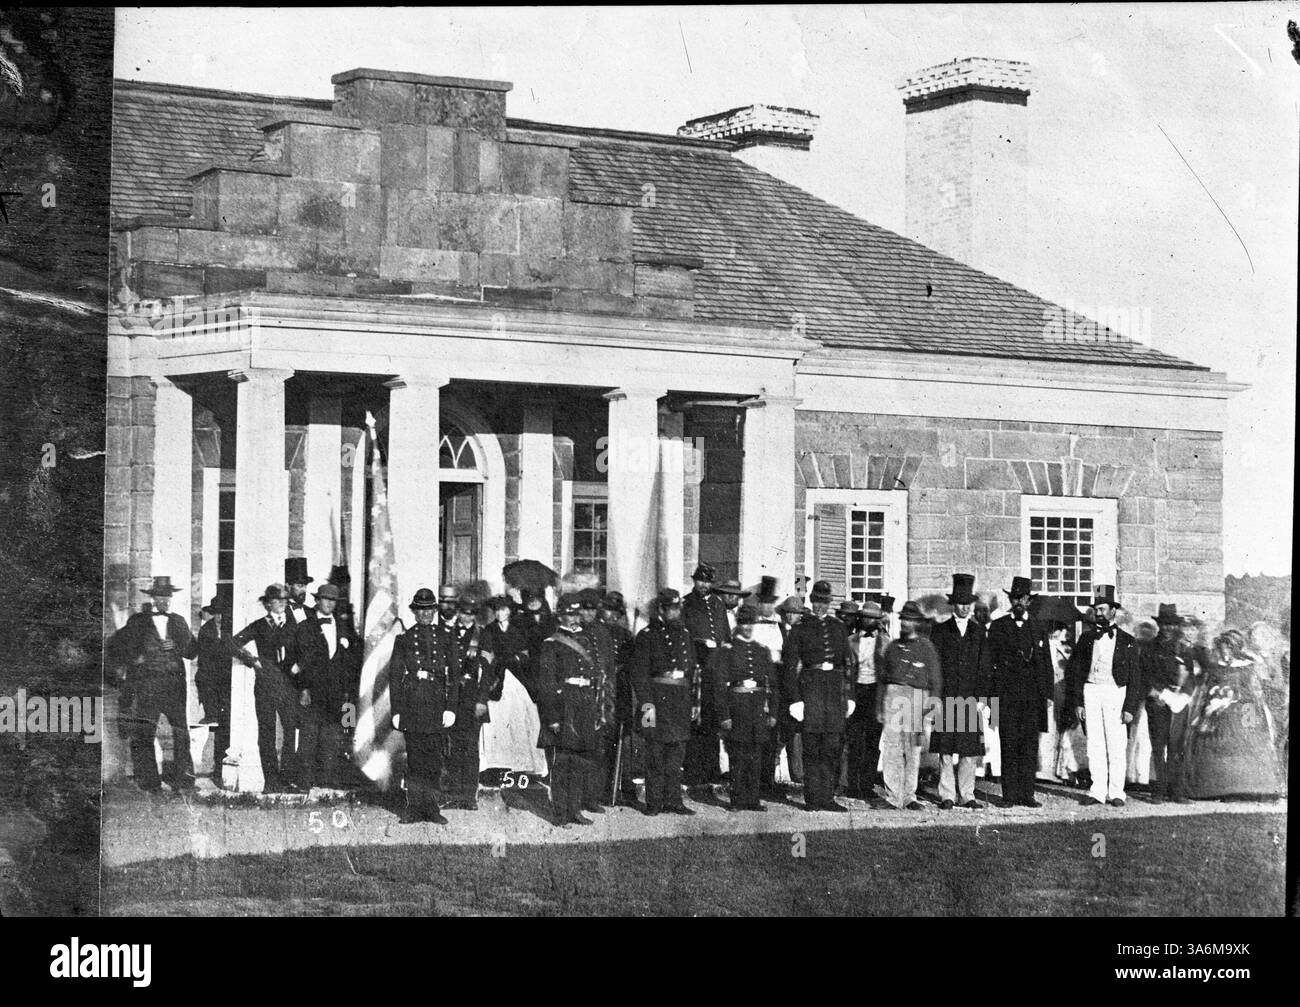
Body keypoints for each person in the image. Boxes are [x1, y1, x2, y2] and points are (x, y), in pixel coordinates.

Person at [109, 575, 199, 792]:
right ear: (153, 598)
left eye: (167, 597)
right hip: (148, 685)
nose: (163, 601)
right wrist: (134, 659)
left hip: (175, 685)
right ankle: (150, 782)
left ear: (171, 598)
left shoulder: (178, 621)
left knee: (180, 731)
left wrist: (177, 645)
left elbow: (192, 651)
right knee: (145, 732)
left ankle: (183, 781)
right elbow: (118, 644)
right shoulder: (138, 621)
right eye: (159, 596)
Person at [782, 580, 856, 812]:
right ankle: (813, 798)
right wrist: (796, 699)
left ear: (829, 603)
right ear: (811, 602)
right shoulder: (800, 628)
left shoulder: (838, 627)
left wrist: (850, 696)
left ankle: (828, 796)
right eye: (817, 602)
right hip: (811, 688)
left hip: (834, 690)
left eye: (824, 602)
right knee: (812, 745)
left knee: (832, 745)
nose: (820, 607)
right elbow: (790, 666)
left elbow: (848, 665)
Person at [1067, 585, 1143, 807]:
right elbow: (1074, 673)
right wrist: (1078, 702)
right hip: (1091, 691)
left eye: (1102, 609)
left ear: (1113, 611)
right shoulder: (1086, 638)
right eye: (1096, 609)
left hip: (1115, 692)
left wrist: (1129, 708)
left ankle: (1117, 792)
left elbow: (1135, 678)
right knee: (1095, 744)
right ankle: (1097, 791)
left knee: (1116, 744)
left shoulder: (1128, 640)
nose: (1098, 613)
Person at [389, 588, 461, 824]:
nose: (425, 614)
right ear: (414, 612)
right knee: (415, 759)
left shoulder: (446, 637)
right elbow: (395, 676)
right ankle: (414, 808)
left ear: (435, 611)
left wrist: (451, 707)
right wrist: (397, 710)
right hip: (412, 703)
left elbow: (454, 675)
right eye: (421, 610)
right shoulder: (404, 639)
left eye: (429, 610)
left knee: (434, 760)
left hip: (437, 702)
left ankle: (431, 808)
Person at [1184, 630, 1282, 800]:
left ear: (1235, 648)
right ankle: (1215, 789)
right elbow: (1207, 687)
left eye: (1228, 648)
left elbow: (1253, 691)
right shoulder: (1215, 667)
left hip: (1243, 711)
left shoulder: (1247, 666)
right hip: (1217, 712)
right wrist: (1214, 699)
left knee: (1245, 745)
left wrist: (1232, 698)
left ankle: (1246, 789)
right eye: (1222, 648)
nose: (1224, 652)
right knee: (1212, 743)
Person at [630, 588, 699, 816]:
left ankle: (674, 800)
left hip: (679, 701)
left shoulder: (685, 634)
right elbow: (639, 674)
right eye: (671, 608)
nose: (676, 612)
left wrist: (693, 702)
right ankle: (654, 802)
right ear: (661, 609)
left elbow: (691, 672)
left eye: (678, 608)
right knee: (655, 754)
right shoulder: (647, 636)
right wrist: (647, 705)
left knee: (676, 755)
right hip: (655, 702)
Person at [987, 577, 1053, 808]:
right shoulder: (998, 627)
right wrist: (991, 697)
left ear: (1028, 600)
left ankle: (1027, 794)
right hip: (1007, 697)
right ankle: (1009, 795)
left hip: (1032, 698)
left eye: (1022, 598)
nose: (1018, 601)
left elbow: (1046, 663)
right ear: (1010, 599)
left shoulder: (1038, 627)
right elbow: (990, 663)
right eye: (1014, 598)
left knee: (1029, 746)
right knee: (1009, 745)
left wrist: (1048, 695)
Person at [537, 595, 602, 826]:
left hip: (584, 703)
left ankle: (575, 809)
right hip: (564, 705)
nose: (574, 618)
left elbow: (594, 677)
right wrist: (552, 717)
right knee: (562, 762)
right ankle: (561, 813)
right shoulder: (551, 643)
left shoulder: (585, 639)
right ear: (560, 615)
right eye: (569, 614)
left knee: (579, 760)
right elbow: (546, 683)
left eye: (576, 614)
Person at [231, 583, 302, 793]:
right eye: (277, 600)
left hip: (289, 686)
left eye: (284, 600)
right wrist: (252, 660)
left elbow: (305, 649)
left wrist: (300, 665)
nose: (282, 604)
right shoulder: (260, 625)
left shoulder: (293, 626)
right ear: (268, 603)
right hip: (265, 686)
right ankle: (271, 782)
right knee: (267, 733)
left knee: (291, 731)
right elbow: (232, 643)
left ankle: (287, 779)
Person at [928, 574, 989, 810]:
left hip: (970, 699)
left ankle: (967, 794)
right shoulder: (940, 631)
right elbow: (935, 667)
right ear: (953, 604)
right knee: (945, 749)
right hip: (947, 697)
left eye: (968, 603)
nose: (964, 608)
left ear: (971, 605)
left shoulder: (979, 632)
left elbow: (984, 669)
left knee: (969, 750)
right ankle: (947, 795)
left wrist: (982, 700)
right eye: (960, 603)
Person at [290, 583, 359, 789]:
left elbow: (350, 661)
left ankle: (327, 781)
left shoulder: (344, 627)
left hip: (336, 692)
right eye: (325, 599)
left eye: (333, 600)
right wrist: (303, 689)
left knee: (333, 735)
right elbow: (298, 660)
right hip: (313, 691)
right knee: (309, 736)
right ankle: (305, 782)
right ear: (317, 600)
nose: (329, 604)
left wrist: (348, 690)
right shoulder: (305, 626)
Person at [877, 600, 941, 810]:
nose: (906, 624)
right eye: (903, 619)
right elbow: (882, 679)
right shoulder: (893, 647)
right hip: (894, 696)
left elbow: (935, 680)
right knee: (892, 748)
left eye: (911, 620)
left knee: (913, 749)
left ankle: (909, 796)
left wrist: (932, 705)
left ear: (918, 623)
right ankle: (893, 797)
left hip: (917, 697)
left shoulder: (926, 648)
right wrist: (880, 706)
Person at [714, 605, 777, 811]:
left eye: (751, 623)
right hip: (737, 707)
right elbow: (720, 686)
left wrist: (773, 712)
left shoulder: (761, 650)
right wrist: (724, 715)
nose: (747, 627)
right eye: (743, 623)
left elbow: (772, 684)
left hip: (757, 708)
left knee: (756, 757)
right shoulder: (728, 650)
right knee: (738, 756)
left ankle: (753, 799)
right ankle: (738, 800)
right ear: (738, 624)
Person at [479, 595, 545, 778]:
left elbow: (525, 654)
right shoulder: (489, 630)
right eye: (497, 610)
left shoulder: (517, 630)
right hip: (496, 676)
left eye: (504, 609)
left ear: (510, 611)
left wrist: (513, 659)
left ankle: (518, 762)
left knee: (519, 715)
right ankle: (496, 763)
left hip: (515, 677)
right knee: (497, 719)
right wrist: (496, 662)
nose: (500, 613)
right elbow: (486, 655)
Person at [1136, 604, 1195, 803]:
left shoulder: (1184, 649)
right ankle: (1158, 790)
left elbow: (1190, 678)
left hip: (1178, 703)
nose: (1169, 628)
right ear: (1159, 625)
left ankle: (1176, 790)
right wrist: (1154, 694)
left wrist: (1184, 695)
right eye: (1165, 624)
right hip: (1158, 702)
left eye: (1172, 624)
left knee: (1177, 747)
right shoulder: (1149, 648)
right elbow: (1142, 676)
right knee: (1158, 747)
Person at [682, 562, 730, 787]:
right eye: (700, 580)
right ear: (694, 581)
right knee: (695, 719)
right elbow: (684, 639)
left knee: (713, 720)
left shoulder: (718, 604)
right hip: (697, 668)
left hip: (716, 668)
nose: (703, 585)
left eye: (707, 581)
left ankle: (712, 770)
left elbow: (726, 636)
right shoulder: (687, 604)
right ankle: (693, 771)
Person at [446, 596, 492, 810]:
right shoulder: (448, 633)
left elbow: (487, 671)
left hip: (473, 699)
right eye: (463, 613)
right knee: (452, 747)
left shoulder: (483, 636)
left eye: (471, 614)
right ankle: (454, 793)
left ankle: (468, 796)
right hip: (452, 699)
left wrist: (482, 700)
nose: (466, 617)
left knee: (470, 749)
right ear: (458, 613)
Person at [577, 589, 617, 812]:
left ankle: (593, 797)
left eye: (591, 609)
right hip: (580, 697)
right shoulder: (572, 632)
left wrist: (610, 701)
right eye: (584, 609)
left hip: (601, 700)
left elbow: (610, 668)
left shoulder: (603, 633)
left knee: (598, 749)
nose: (587, 613)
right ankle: (578, 797)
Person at [599, 591, 640, 805]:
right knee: (603, 741)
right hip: (602, 691)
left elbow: (634, 664)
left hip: (621, 691)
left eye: (616, 611)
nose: (612, 615)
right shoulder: (595, 633)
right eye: (608, 610)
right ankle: (602, 789)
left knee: (623, 740)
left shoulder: (626, 636)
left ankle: (625, 788)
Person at [845, 599, 888, 801]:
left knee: (873, 741)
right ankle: (852, 784)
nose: (869, 621)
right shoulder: (851, 640)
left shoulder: (886, 643)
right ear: (860, 619)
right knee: (854, 741)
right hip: (856, 692)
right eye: (866, 617)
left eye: (873, 618)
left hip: (876, 694)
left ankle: (867, 784)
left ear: (878, 621)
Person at [1045, 621, 1088, 786]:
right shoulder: (1048, 647)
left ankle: (1062, 769)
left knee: (1063, 731)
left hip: (1063, 690)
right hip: (1052, 690)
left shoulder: (1066, 649)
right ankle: (1046, 769)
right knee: (1050, 730)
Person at [195, 596, 233, 782]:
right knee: (214, 723)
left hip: (226, 685)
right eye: (217, 613)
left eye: (223, 613)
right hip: (210, 683)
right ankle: (213, 766)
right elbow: (205, 660)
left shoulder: (230, 630)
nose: (220, 617)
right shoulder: (206, 630)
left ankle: (220, 766)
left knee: (226, 725)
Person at [284, 558, 315, 626]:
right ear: (288, 586)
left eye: (305, 586)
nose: (304, 590)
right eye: (300, 586)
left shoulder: (311, 612)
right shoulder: (281, 612)